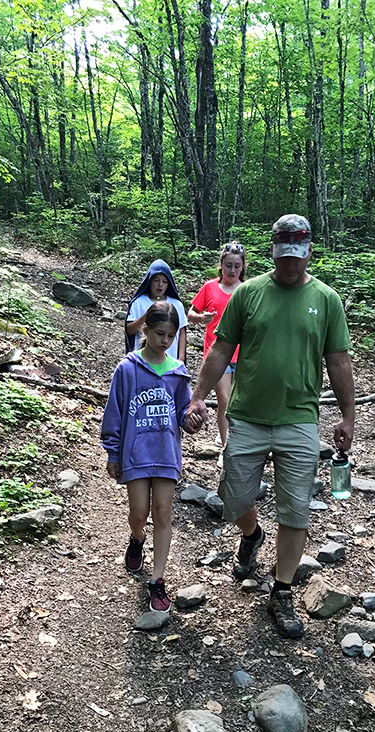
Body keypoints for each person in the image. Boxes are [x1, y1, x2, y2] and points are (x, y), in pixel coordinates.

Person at [186, 215, 355, 639]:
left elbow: (338, 362)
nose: (290, 266)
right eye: (284, 258)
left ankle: (281, 592)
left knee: (296, 509)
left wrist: (348, 415)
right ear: (273, 252)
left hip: (300, 420)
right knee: (234, 495)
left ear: (309, 253)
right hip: (246, 417)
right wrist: (198, 395)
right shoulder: (249, 293)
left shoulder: (326, 300)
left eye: (297, 258)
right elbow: (221, 348)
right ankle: (253, 533)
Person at [102, 302, 198, 612]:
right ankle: (136, 537)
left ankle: (157, 581)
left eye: (171, 335)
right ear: (145, 329)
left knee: (164, 513)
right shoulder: (127, 369)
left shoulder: (177, 372)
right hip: (136, 453)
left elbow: (183, 412)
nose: (165, 341)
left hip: (166, 454)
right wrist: (113, 452)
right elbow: (114, 413)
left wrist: (192, 419)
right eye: (160, 333)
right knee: (139, 513)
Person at [187, 242, 245, 450]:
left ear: (242, 267)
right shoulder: (209, 287)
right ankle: (226, 446)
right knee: (225, 400)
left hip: (245, 355)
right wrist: (203, 318)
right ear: (220, 265)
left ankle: (240, 443)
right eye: (228, 265)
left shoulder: (247, 290)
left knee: (242, 403)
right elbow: (190, 314)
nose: (232, 270)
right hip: (218, 354)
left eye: (237, 266)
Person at [125, 260, 187, 362]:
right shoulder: (139, 302)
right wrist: (147, 314)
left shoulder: (177, 304)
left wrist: (181, 359)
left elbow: (182, 332)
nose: (160, 285)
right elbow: (130, 330)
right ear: (149, 281)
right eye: (156, 280)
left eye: (164, 281)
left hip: (170, 360)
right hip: (142, 360)